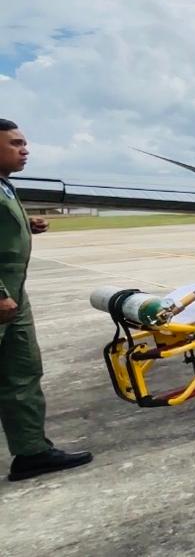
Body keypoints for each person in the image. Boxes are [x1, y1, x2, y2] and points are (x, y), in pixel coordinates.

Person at [0, 120, 94, 482]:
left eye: (25, 143)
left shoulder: (6, 185)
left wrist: (28, 222)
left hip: (15, 297)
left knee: (22, 373)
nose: (25, 149)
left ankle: (31, 452)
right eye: (15, 143)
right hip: (2, 295)